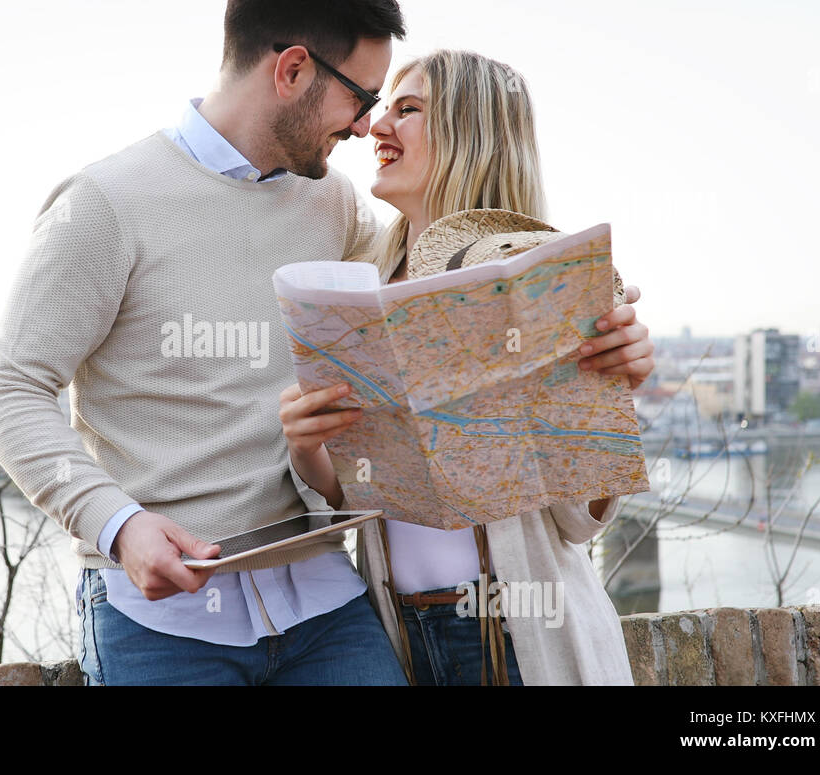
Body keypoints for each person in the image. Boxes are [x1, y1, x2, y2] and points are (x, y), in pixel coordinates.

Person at [0, 0, 415, 685]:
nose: (365, 125)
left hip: (325, 605)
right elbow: (8, 390)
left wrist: (581, 306)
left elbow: (430, 288)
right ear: (293, 70)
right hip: (161, 621)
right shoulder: (105, 202)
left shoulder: (336, 205)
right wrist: (119, 524)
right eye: (360, 98)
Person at [279, 50, 655, 685]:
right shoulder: (355, 282)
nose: (376, 126)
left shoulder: (538, 277)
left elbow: (574, 520)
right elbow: (349, 502)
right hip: (397, 637)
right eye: (384, 108)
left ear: (470, 134)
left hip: (523, 634)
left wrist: (610, 394)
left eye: (409, 110)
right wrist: (306, 441)